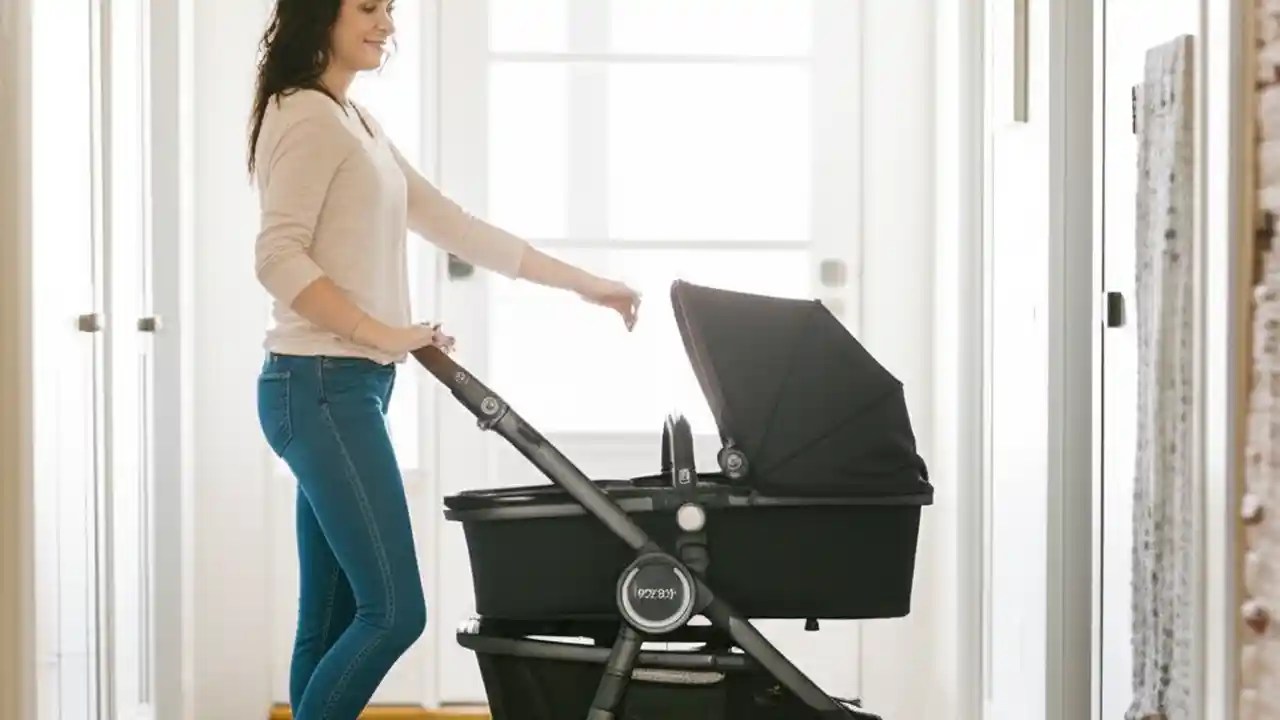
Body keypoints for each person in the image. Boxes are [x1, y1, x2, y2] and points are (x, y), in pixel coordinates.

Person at [248, 1, 641, 717]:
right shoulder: (306, 116)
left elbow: (454, 225)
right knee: (394, 612)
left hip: (342, 389)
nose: (387, 24)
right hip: (320, 387)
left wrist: (587, 285)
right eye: (368, 7)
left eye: (390, 9)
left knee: (332, 618)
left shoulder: (351, 120)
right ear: (320, 12)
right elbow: (277, 258)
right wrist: (381, 330)